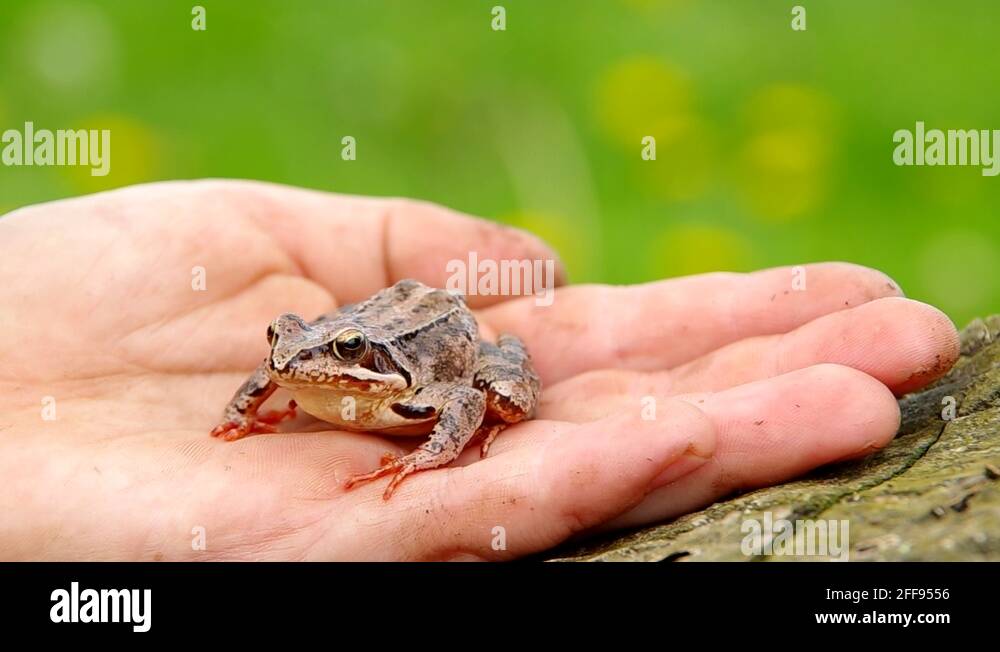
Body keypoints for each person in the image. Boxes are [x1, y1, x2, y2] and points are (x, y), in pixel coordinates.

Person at [0, 180, 959, 561]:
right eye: (286, 350)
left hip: (444, 339)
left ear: (361, 359)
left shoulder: (406, 381)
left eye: (330, 355)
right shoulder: (301, 368)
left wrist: (428, 458)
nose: (297, 367)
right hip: (383, 335)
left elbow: (457, 393)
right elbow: (282, 371)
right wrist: (255, 407)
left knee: (502, 389)